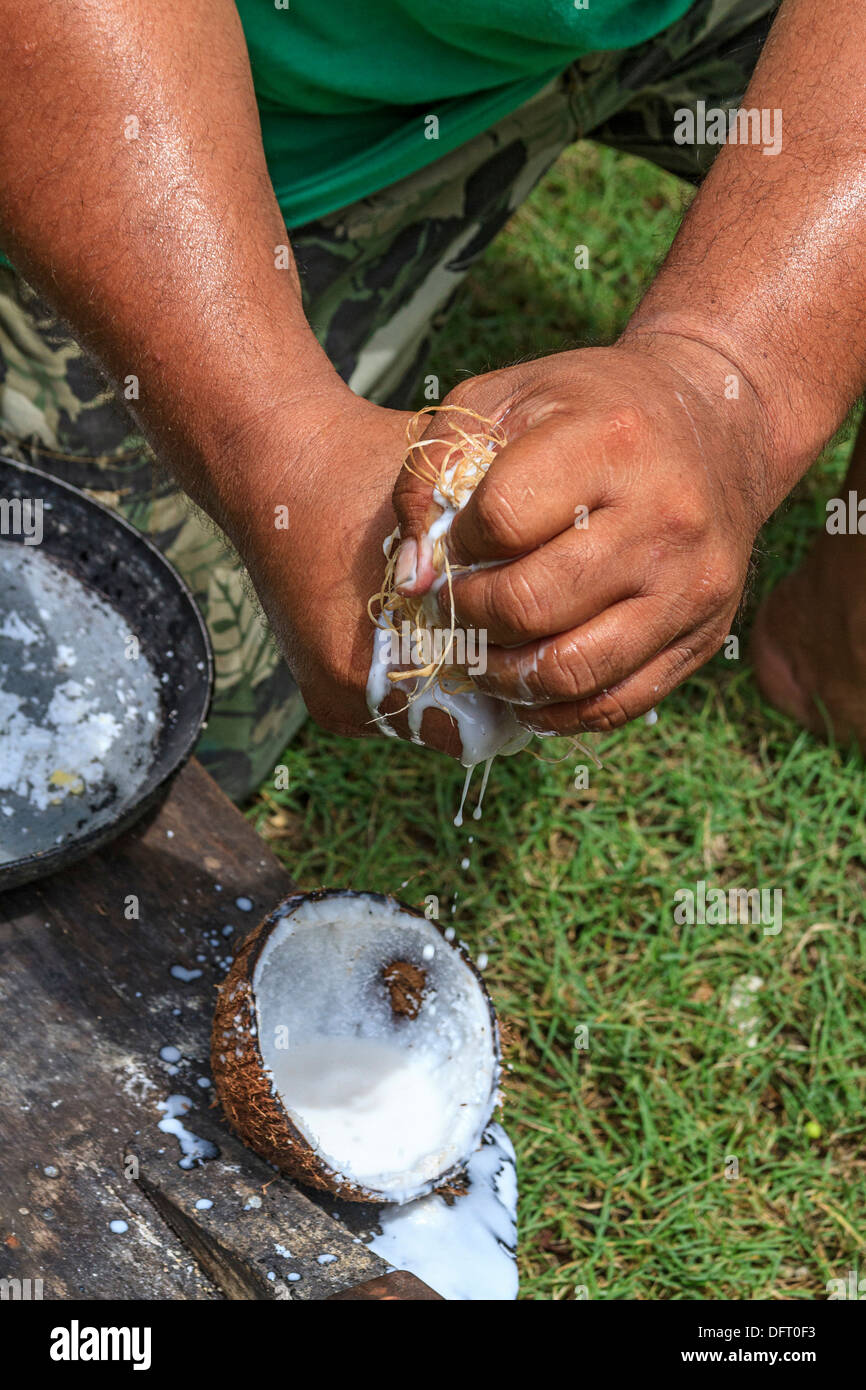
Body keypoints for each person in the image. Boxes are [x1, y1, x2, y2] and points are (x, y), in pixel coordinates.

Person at [0, 1, 861, 802]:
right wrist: (278, 437)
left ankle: (836, 649)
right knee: (117, 707)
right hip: (227, 90)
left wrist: (729, 381)